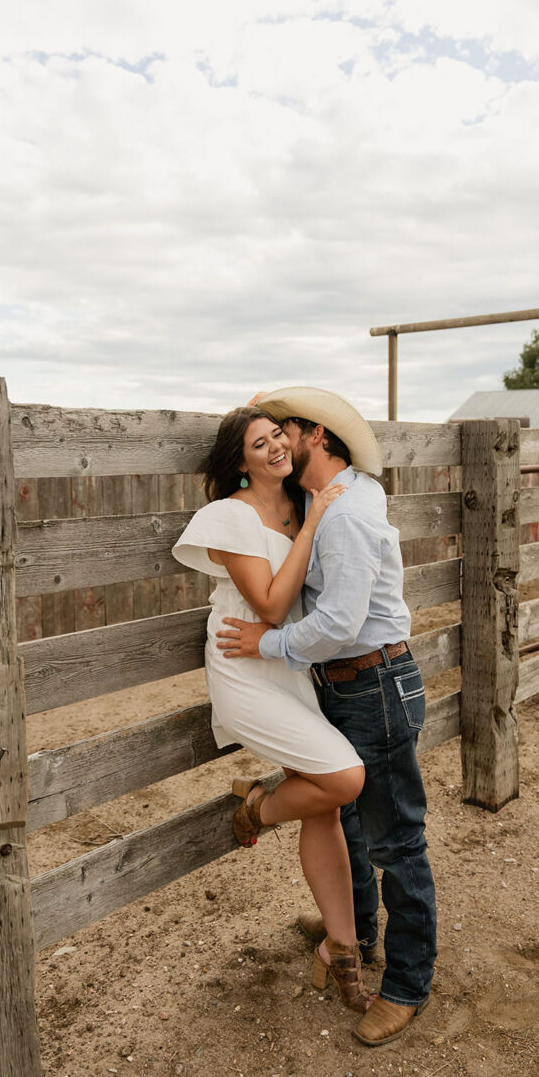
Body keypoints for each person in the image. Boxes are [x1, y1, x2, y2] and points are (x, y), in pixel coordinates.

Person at [216, 387, 437, 1047]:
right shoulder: (330, 496)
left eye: (286, 430)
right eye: (270, 436)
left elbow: (340, 620)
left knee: (396, 841)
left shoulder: (345, 514)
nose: (280, 442)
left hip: (373, 683)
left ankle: (406, 985)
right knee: (346, 817)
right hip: (344, 684)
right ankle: (358, 929)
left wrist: (267, 643)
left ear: (316, 436)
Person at [172, 405, 374, 1013]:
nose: (275, 450)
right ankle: (258, 809)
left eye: (278, 437)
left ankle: (341, 951)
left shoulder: (301, 503)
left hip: (286, 665)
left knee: (326, 804)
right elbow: (266, 606)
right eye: (258, 445)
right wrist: (313, 527)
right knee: (345, 778)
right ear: (240, 461)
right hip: (244, 662)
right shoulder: (231, 516)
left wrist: (314, 516)